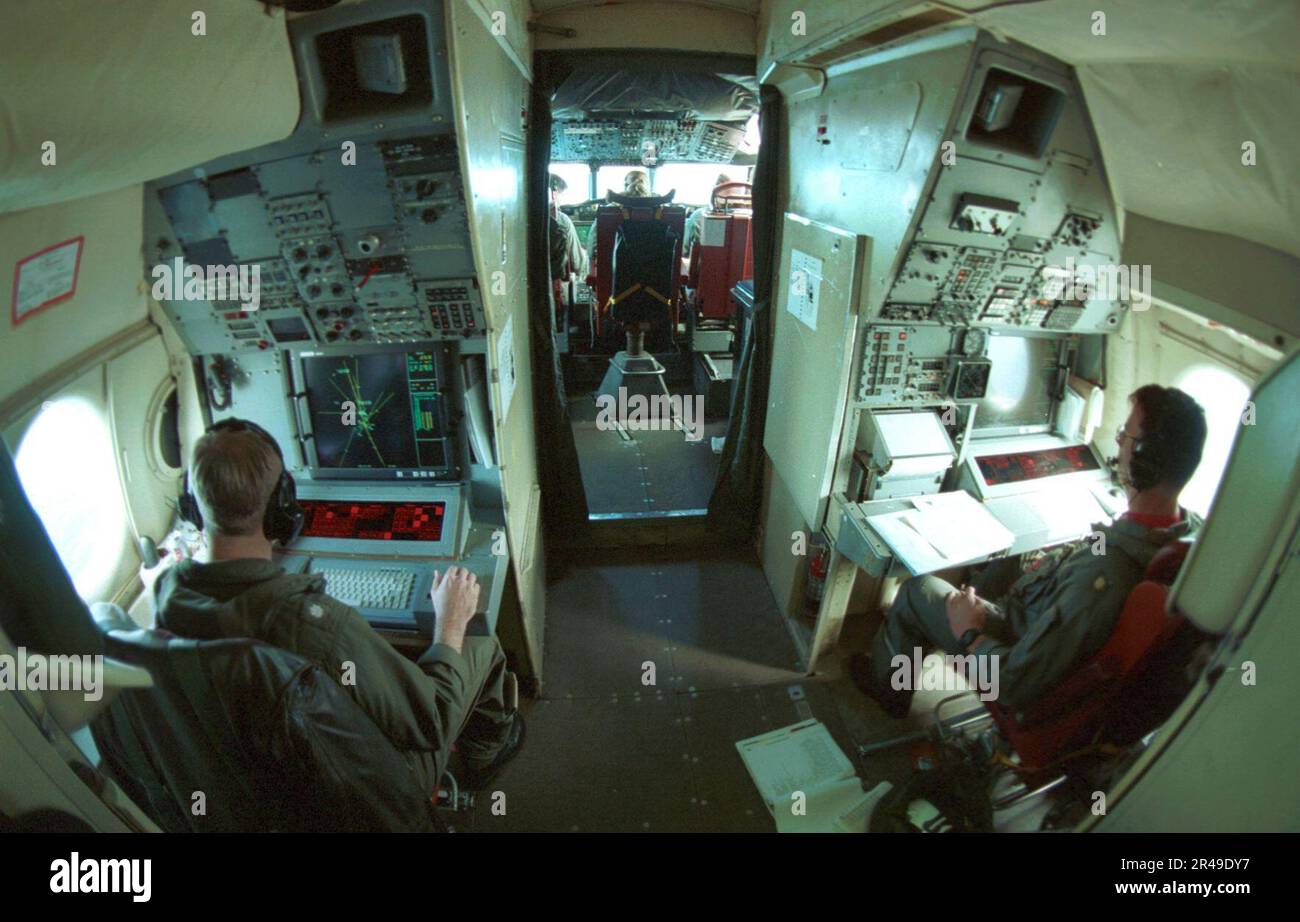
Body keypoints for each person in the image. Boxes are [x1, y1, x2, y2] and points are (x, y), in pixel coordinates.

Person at [155, 419, 524, 796]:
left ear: (193, 508)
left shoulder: (169, 597)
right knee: (479, 643)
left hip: (249, 780)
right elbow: (431, 719)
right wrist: (449, 624)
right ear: (282, 508)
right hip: (356, 788)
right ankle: (486, 754)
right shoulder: (317, 624)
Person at [849, 384, 1207, 717]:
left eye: (1125, 436)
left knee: (918, 590)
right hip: (1037, 615)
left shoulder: (1103, 575)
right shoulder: (1188, 531)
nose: (1118, 444)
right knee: (1007, 562)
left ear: (1145, 459)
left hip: (1017, 653)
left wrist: (969, 633)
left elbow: (1015, 686)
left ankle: (888, 689)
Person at [548, 173, 587, 280]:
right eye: (562, 194)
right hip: (556, 278)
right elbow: (576, 264)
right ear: (554, 193)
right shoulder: (562, 220)